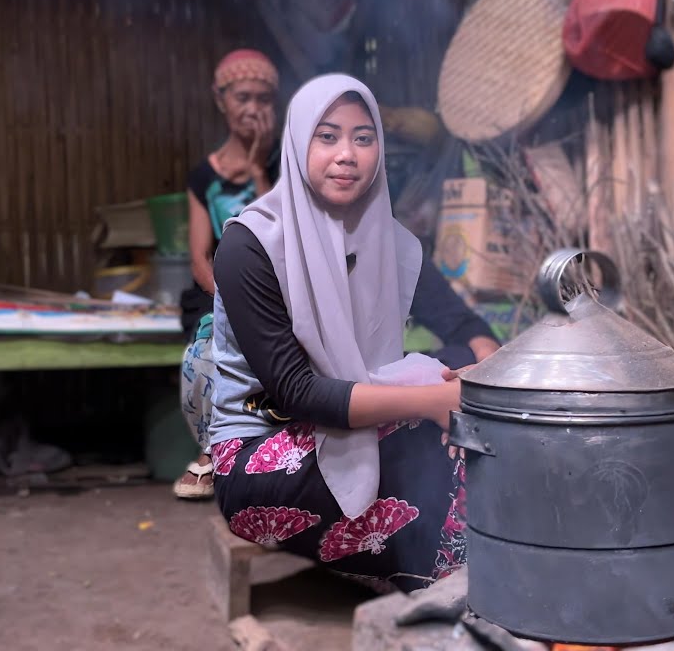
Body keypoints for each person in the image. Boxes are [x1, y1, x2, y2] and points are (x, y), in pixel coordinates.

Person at [204, 74, 493, 591]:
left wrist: (484, 377)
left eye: (363, 138)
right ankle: (463, 573)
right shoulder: (251, 247)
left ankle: (472, 557)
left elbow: (466, 326)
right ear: (298, 144)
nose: (347, 155)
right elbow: (298, 393)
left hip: (362, 424)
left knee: (454, 377)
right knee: (431, 435)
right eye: (327, 136)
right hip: (264, 452)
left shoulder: (390, 243)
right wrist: (436, 402)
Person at [174, 49, 281, 500]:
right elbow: (201, 258)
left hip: (276, 284)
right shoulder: (205, 176)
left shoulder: (286, 164)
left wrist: (258, 170)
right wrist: (230, 300)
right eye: (242, 97)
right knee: (208, 347)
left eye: (263, 98)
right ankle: (215, 445)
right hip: (219, 289)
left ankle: (258, 447)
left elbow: (277, 239)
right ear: (221, 101)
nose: (253, 108)